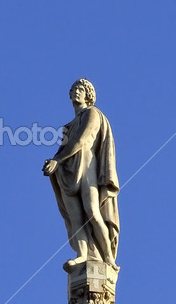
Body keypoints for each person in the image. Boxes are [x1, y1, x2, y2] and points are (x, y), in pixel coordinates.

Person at [42, 79, 120, 270]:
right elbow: (64, 149)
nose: (77, 92)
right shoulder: (68, 127)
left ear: (89, 95)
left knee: (92, 211)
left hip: (87, 167)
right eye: (74, 89)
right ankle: (82, 254)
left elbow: (83, 140)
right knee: (75, 217)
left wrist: (57, 160)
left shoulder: (92, 113)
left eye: (81, 89)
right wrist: (54, 162)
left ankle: (108, 257)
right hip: (67, 172)